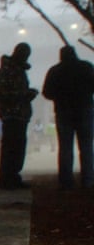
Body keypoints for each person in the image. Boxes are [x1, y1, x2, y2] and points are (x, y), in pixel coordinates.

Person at [41, 45, 94, 190]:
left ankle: (66, 181)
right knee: (86, 146)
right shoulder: (86, 67)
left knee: (65, 147)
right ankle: (88, 179)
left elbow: (46, 92)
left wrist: (59, 97)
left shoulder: (55, 71)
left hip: (63, 111)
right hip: (84, 110)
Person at [0, 42, 38, 189]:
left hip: (17, 114)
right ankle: (7, 178)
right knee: (12, 148)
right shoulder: (7, 71)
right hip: (12, 115)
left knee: (16, 148)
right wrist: (24, 95)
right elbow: (1, 94)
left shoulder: (15, 71)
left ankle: (12, 176)